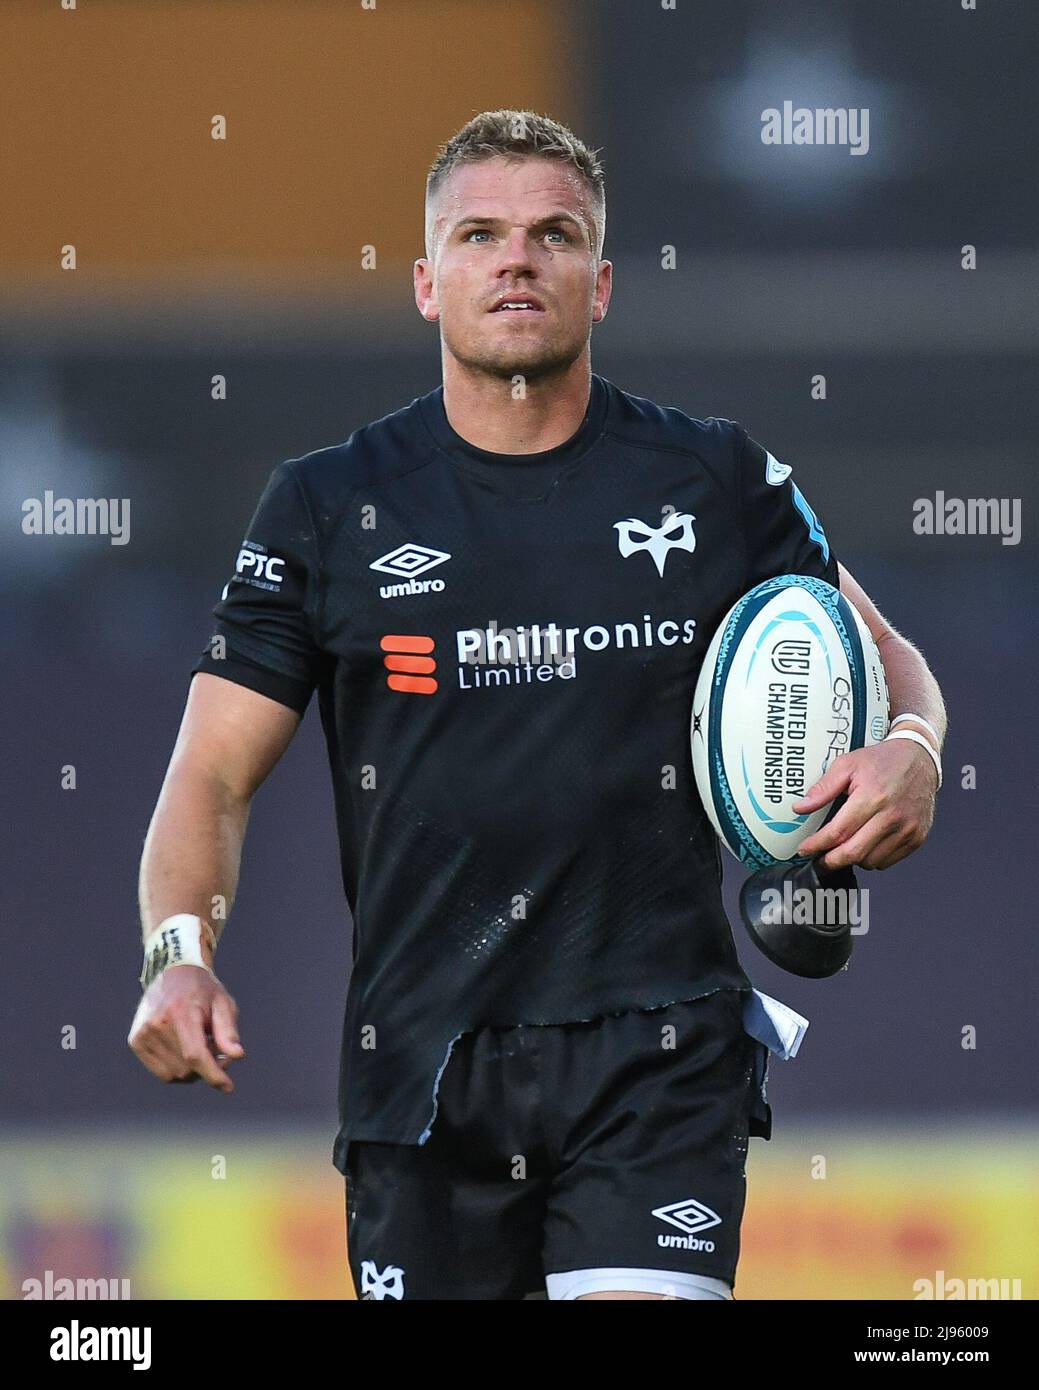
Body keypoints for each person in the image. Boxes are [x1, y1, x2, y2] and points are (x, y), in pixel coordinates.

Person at [128, 109, 946, 1301]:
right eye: (480, 234)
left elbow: (890, 659)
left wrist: (913, 748)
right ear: (425, 281)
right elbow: (210, 773)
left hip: (658, 1053)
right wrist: (176, 954)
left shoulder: (712, 479)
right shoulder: (327, 506)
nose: (516, 259)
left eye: (553, 234)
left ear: (600, 282)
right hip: (422, 1070)